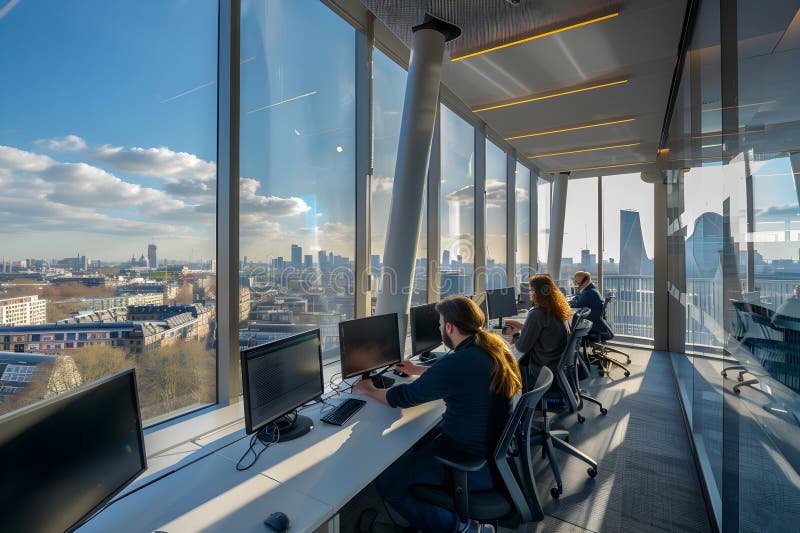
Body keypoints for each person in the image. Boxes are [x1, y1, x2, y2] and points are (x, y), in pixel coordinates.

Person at [355, 295, 521, 533]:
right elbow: (456, 373)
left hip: (470, 463)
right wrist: (418, 370)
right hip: (492, 456)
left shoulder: (459, 362)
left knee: (387, 480)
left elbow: (399, 398)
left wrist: (368, 389)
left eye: (441, 323)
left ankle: (458, 528)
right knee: (416, 445)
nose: (440, 327)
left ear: (450, 327)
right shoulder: (490, 347)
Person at [502, 274, 570, 388]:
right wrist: (523, 328)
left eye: (532, 290)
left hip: (540, 372)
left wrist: (514, 336)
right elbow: (545, 332)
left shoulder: (537, 313)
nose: (530, 293)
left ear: (537, 293)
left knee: (504, 365)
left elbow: (522, 347)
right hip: (554, 366)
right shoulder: (556, 309)